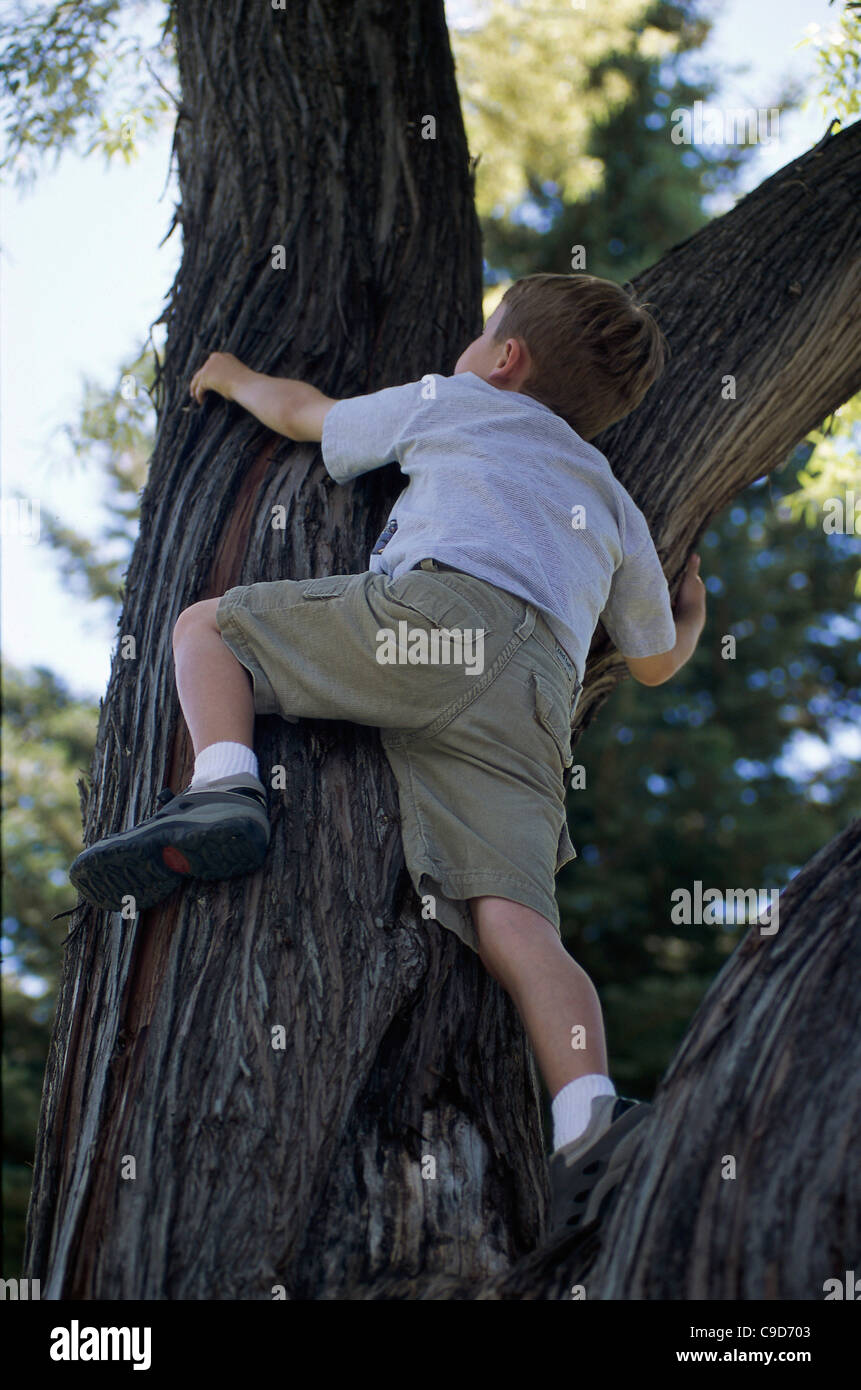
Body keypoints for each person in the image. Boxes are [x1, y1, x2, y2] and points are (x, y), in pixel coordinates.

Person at [69, 272, 707, 1235]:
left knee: (209, 627)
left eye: (483, 330)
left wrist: (236, 376)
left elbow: (307, 417)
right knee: (517, 920)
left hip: (437, 624)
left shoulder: (456, 403)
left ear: (504, 358)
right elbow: (655, 659)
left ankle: (224, 790)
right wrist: (694, 608)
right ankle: (588, 1121)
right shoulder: (609, 496)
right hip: (536, 700)